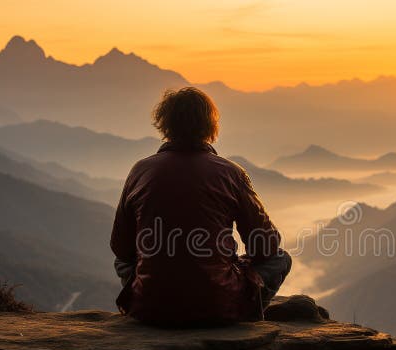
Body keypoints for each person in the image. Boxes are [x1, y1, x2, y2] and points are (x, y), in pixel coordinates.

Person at [110, 87, 291, 326]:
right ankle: (246, 313)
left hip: (149, 308)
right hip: (219, 306)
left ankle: (155, 296)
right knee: (279, 258)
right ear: (210, 126)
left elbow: (121, 248)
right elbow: (266, 244)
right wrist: (231, 262)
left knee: (123, 263)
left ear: (165, 124)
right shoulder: (231, 173)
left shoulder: (140, 171)